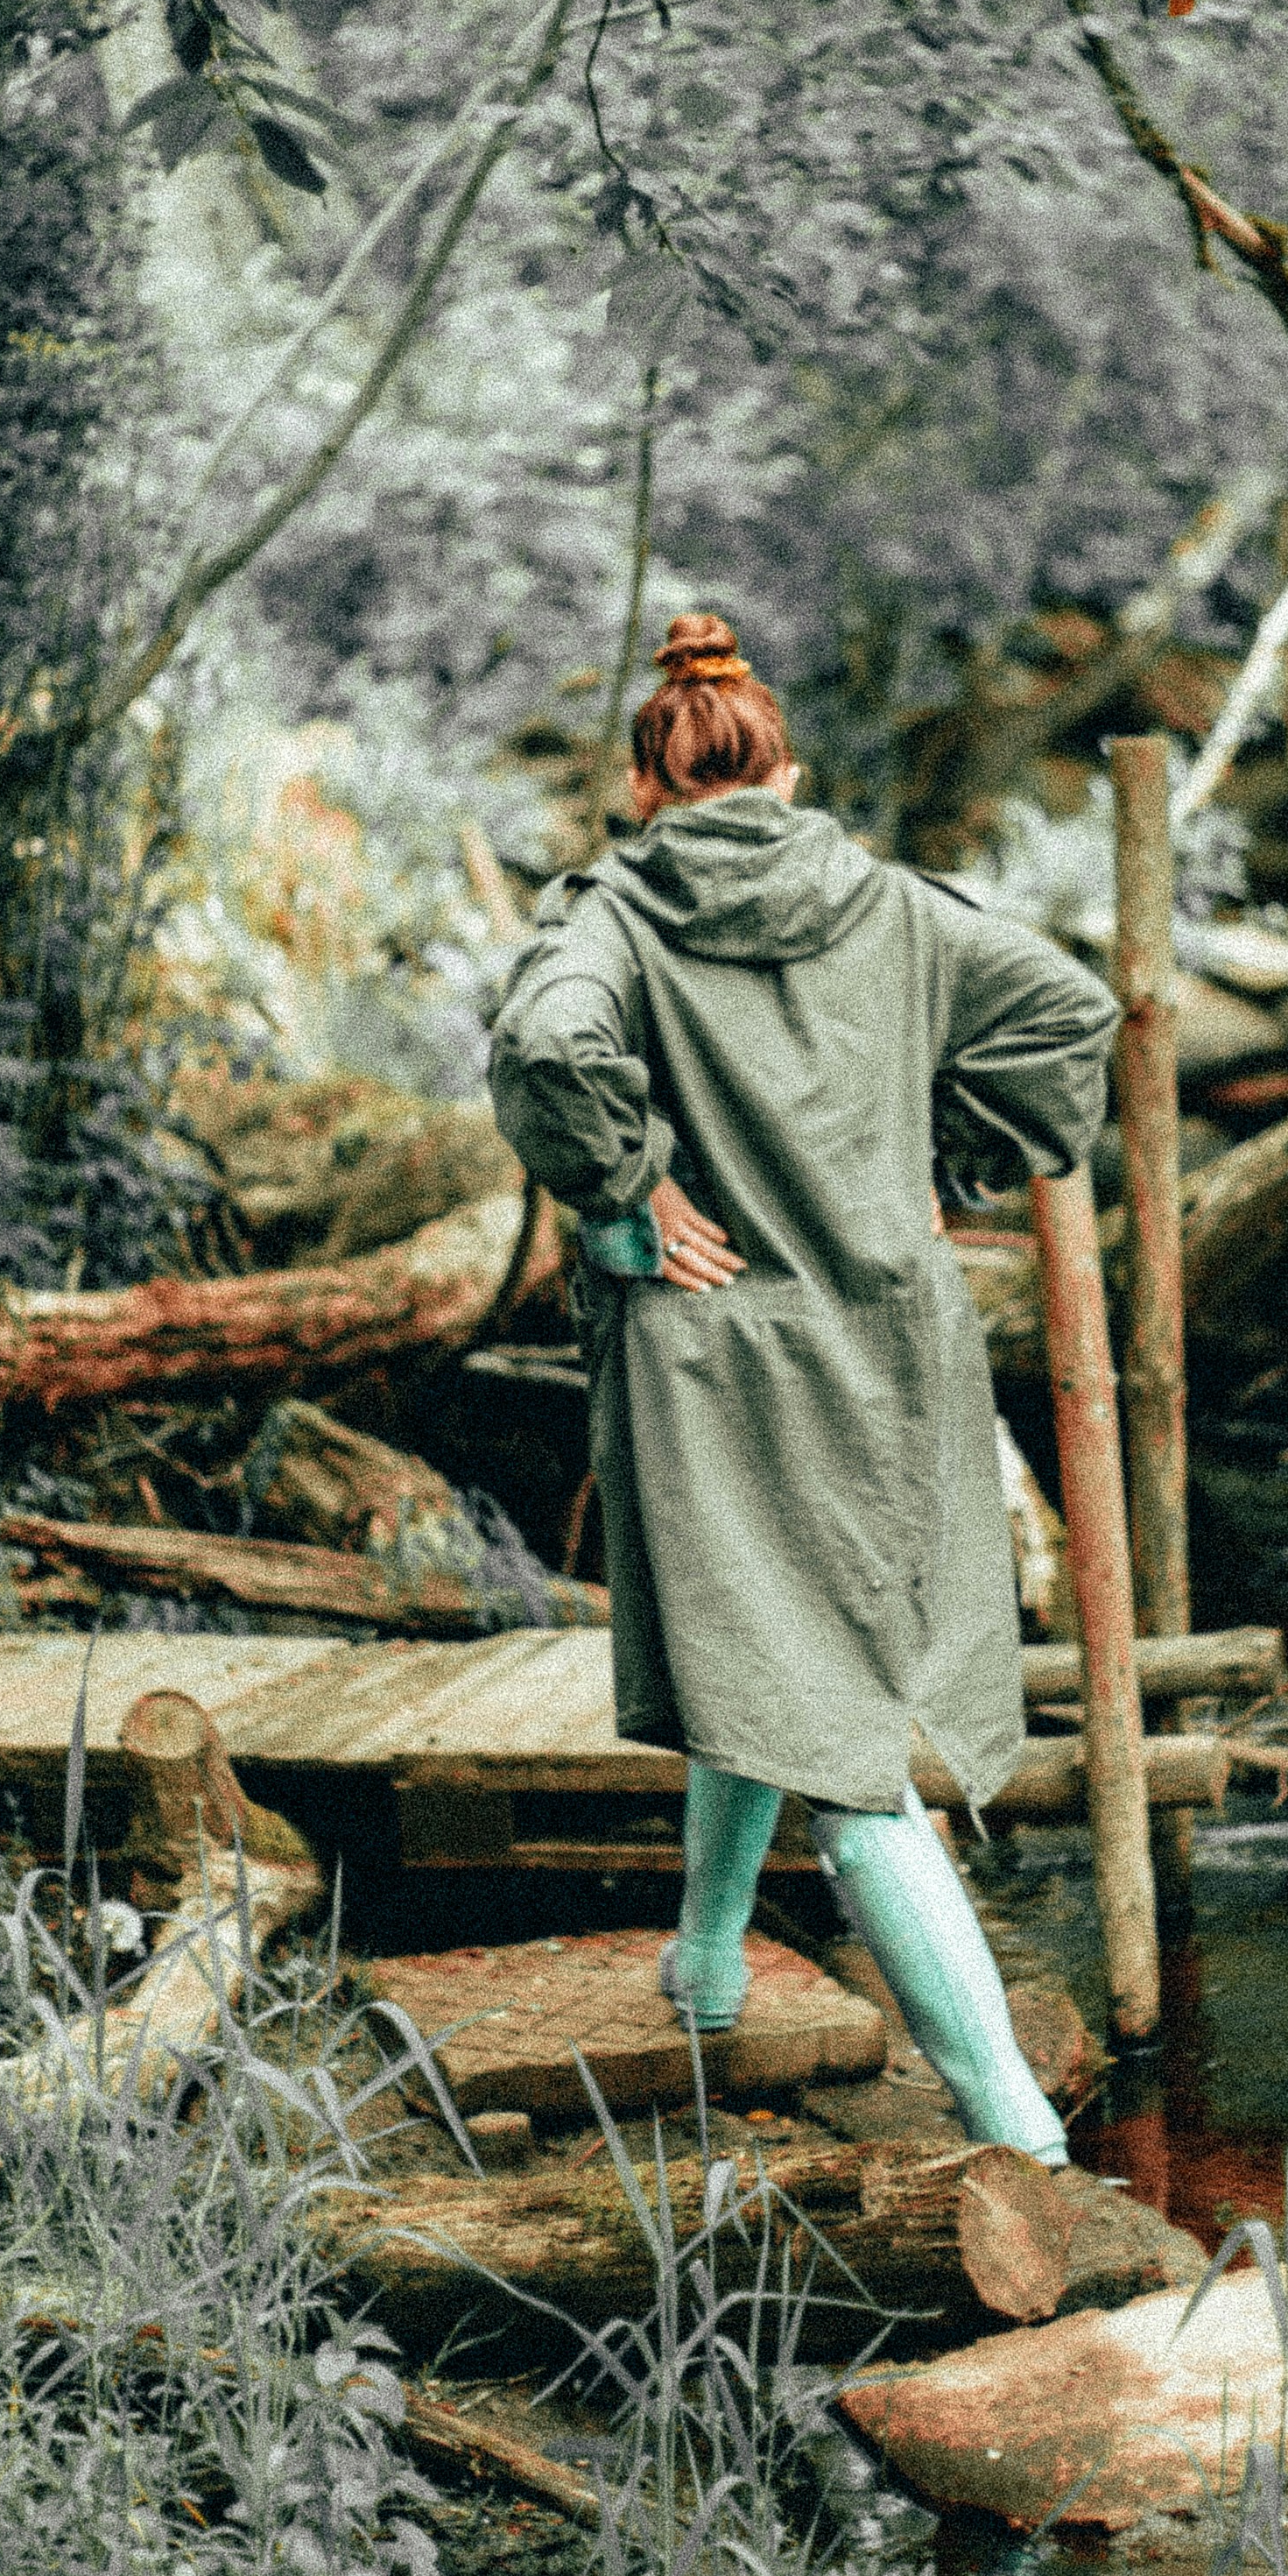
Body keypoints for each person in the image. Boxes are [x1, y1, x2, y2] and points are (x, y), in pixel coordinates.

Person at [489, 611, 1119, 2165]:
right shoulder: (893, 907)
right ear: (789, 771)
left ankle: (1017, 2132)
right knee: (768, 1651)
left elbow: (543, 1046)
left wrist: (627, 1195)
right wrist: (949, 1155)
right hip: (887, 1348)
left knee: (829, 1742)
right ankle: (708, 1963)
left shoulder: (615, 921)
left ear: (646, 789)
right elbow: (1069, 1015)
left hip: (715, 1361)